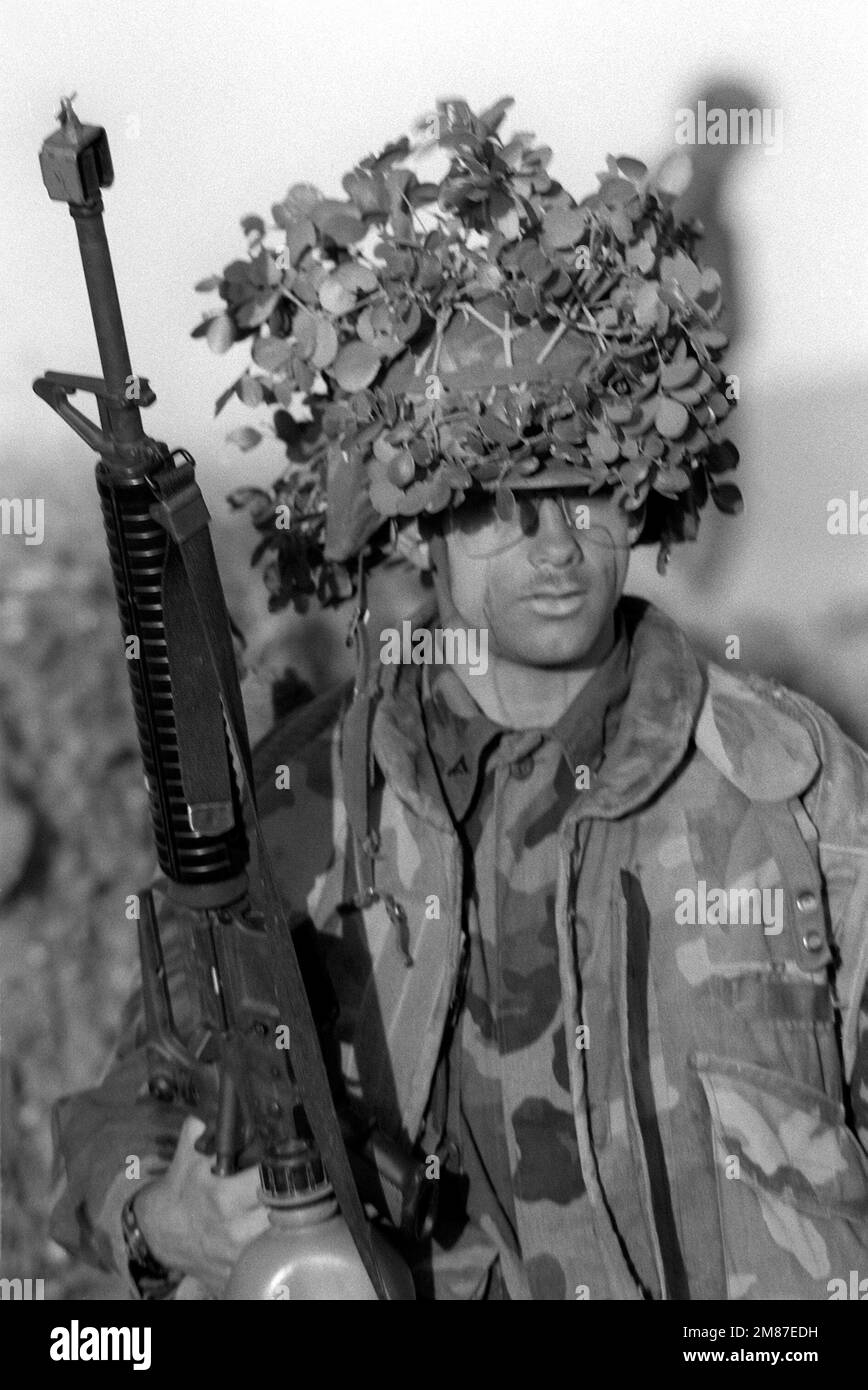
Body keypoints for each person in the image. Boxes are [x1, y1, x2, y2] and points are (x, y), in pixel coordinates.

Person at [49, 96, 868, 1300]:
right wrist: (158, 1215)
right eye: (497, 498)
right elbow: (138, 1097)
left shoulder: (790, 786)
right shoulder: (304, 802)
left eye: (588, 490)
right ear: (419, 528)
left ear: (642, 503)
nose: (552, 542)